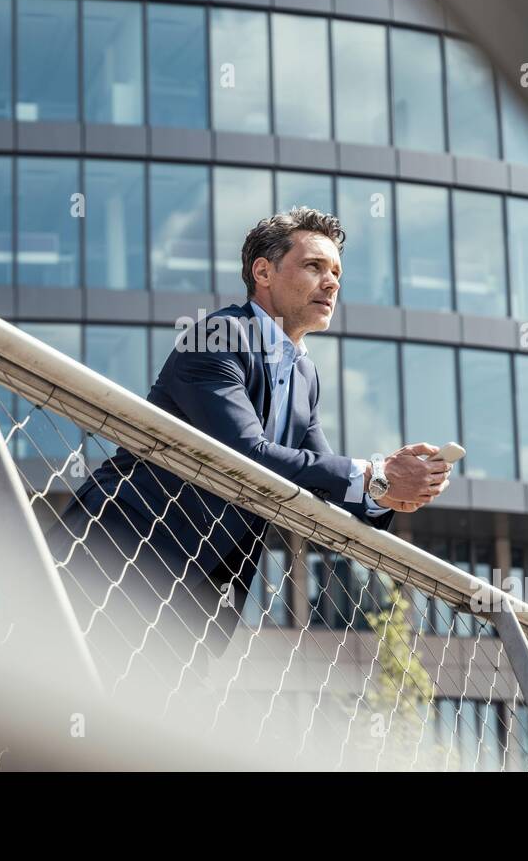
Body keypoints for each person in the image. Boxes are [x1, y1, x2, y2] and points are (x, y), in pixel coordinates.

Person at [43, 208, 452, 694]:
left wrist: (386, 490)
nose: (331, 282)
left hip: (200, 596)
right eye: (315, 267)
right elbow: (243, 454)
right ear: (263, 272)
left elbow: (320, 475)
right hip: (119, 558)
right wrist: (371, 473)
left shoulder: (304, 375)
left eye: (337, 272)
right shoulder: (216, 337)